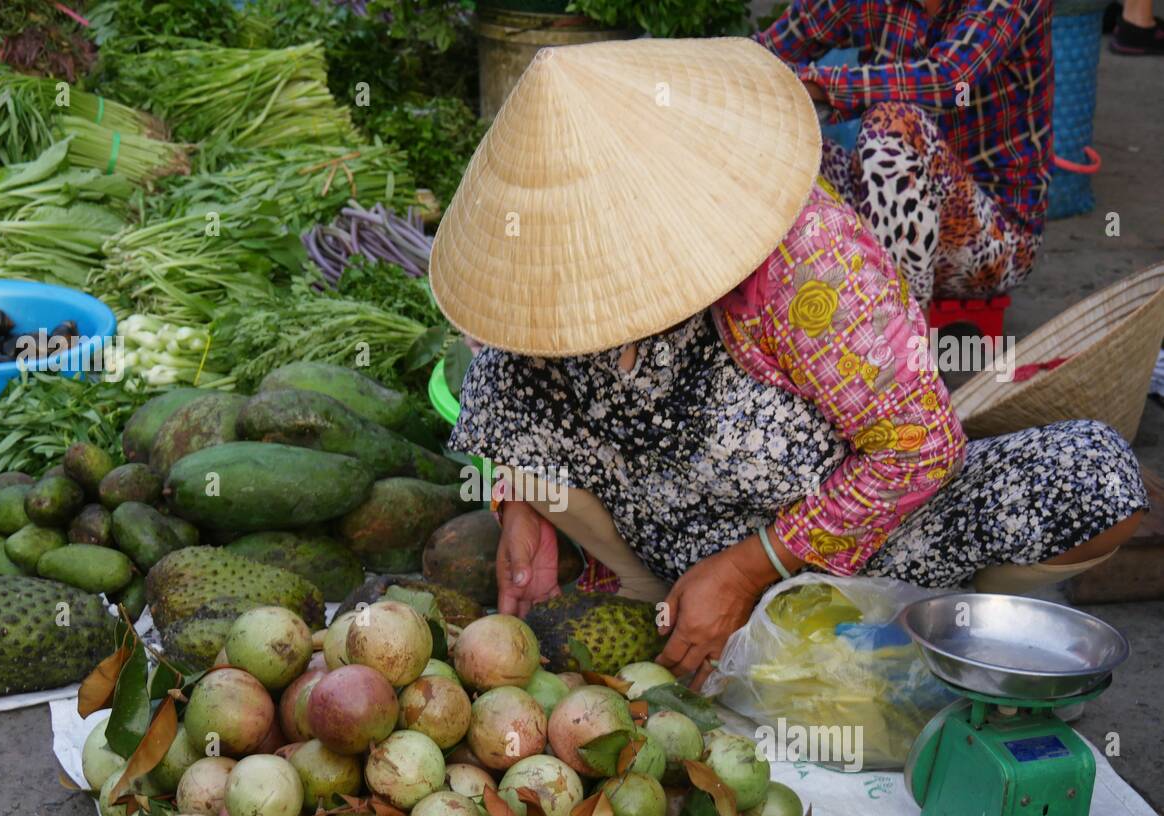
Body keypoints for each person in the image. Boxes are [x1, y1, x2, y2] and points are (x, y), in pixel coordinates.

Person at [428, 37, 1147, 690]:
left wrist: (750, 567)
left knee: (1096, 475)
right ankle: (648, 587)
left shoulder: (812, 260)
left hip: (815, 538)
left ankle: (902, 623)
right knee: (497, 375)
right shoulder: (534, 264)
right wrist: (520, 503)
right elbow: (508, 386)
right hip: (641, 524)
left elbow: (919, 446)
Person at [755, 0, 1052, 303]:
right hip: (885, 221)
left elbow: (950, 80)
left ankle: (900, 331)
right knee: (780, 150)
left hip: (996, 239)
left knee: (892, 125)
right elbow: (765, 54)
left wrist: (816, 85)